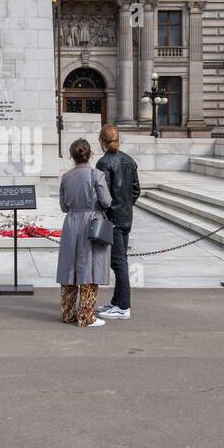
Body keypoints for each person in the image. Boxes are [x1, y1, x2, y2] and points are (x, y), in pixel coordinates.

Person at [56, 138, 112, 328]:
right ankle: (86, 316)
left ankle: (68, 313)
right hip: (92, 223)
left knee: (69, 267)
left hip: (72, 222)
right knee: (89, 267)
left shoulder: (66, 177)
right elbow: (106, 201)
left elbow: (64, 206)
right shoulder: (97, 175)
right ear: (90, 154)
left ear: (72, 156)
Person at [94, 124, 140, 321]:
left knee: (119, 263)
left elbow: (102, 194)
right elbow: (136, 190)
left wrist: (110, 212)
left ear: (102, 142)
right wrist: (126, 206)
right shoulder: (129, 161)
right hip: (126, 216)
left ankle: (123, 306)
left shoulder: (103, 164)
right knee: (120, 261)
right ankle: (116, 301)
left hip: (112, 219)